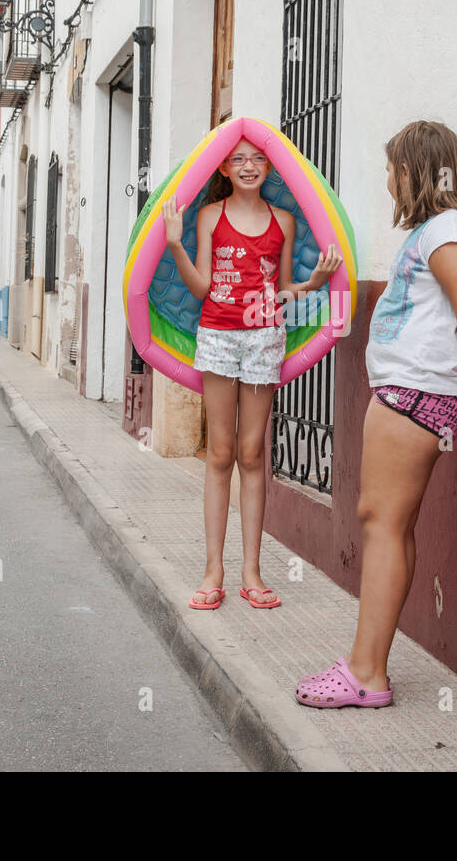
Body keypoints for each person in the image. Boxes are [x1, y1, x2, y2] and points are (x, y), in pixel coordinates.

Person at [295, 120, 457, 708]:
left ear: (411, 171)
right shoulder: (438, 230)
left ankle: (365, 673)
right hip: (412, 391)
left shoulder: (448, 230)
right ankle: (370, 665)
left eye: (390, 169)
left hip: (416, 393)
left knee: (381, 523)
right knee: (389, 523)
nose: (387, 180)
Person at [162, 138, 341, 610]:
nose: (248, 166)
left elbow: (283, 292)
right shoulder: (208, 217)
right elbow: (201, 287)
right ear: (223, 165)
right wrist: (176, 244)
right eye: (238, 158)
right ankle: (212, 571)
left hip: (265, 339)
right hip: (218, 336)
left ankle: (252, 573)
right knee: (220, 453)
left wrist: (313, 285)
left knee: (252, 454)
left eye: (257, 158)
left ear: (269, 165)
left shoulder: (284, 221)